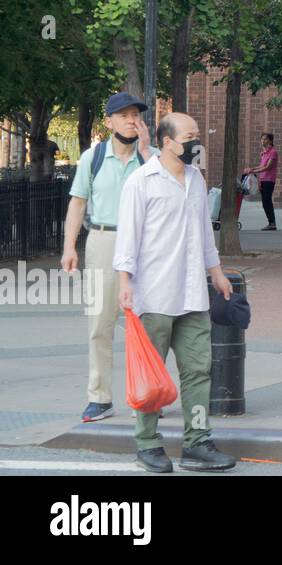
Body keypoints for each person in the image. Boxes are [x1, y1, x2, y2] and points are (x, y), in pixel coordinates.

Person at [115, 112, 236, 473]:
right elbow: (128, 240)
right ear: (167, 142)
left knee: (199, 371)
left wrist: (217, 273)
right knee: (151, 375)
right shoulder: (141, 182)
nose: (195, 141)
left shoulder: (196, 180)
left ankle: (197, 441)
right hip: (153, 295)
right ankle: (148, 443)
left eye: (197, 134)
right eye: (189, 136)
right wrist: (124, 285)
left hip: (193, 294)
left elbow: (203, 233)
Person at [62, 92, 159, 423]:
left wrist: (147, 152)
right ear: (109, 121)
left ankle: (147, 395)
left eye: (136, 115)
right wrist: (69, 247)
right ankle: (99, 398)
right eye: (124, 115)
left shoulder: (152, 158)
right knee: (100, 324)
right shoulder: (94, 156)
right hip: (104, 240)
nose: (132, 120)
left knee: (148, 325)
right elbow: (78, 202)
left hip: (145, 245)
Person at [243, 132, 278, 231]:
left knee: (267, 201)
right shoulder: (264, 153)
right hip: (262, 180)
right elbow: (261, 166)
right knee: (264, 202)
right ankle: (271, 222)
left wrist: (253, 171)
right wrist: (251, 169)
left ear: (270, 141)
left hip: (269, 180)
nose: (263, 141)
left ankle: (272, 223)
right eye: (262, 139)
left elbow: (268, 167)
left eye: (266, 139)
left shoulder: (273, 152)